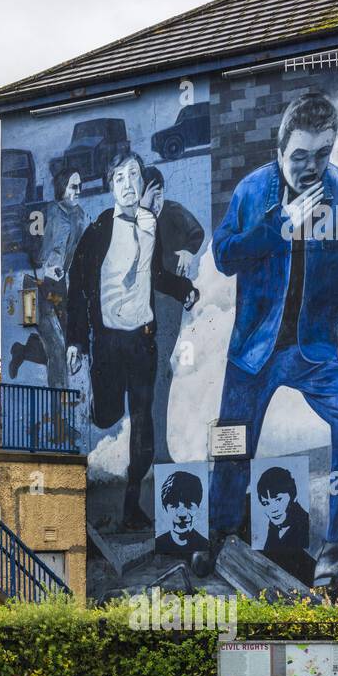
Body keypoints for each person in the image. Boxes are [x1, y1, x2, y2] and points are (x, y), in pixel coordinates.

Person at [208, 92, 338, 586]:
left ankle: (337, 548)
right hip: (255, 349)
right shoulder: (250, 191)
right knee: (231, 443)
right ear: (280, 148)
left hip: (311, 347)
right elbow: (224, 253)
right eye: (300, 156)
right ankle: (221, 536)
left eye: (321, 154)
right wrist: (279, 229)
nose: (311, 167)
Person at [67, 151, 199, 530]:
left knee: (143, 422)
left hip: (142, 340)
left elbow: (155, 273)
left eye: (134, 176)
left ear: (141, 183)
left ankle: (131, 506)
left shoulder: (149, 224)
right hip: (108, 343)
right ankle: (97, 403)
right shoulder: (98, 231)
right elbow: (77, 288)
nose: (128, 184)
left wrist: (183, 288)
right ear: (111, 186)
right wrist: (77, 340)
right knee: (107, 415)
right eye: (120, 178)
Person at [143, 165, 205, 464]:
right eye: (150, 196)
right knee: (154, 372)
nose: (157, 203)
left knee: (160, 369)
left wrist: (189, 252)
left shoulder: (174, 211)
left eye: (160, 195)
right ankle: (153, 447)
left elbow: (197, 232)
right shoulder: (135, 224)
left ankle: (157, 447)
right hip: (145, 305)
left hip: (169, 301)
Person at [9, 168, 86, 386]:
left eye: (80, 186)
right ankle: (59, 416)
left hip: (59, 288)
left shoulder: (80, 216)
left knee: (64, 347)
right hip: (33, 288)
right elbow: (25, 257)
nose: (78, 190)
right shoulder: (46, 214)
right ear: (62, 188)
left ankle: (23, 351)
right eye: (73, 186)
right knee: (58, 349)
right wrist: (44, 271)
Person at [256, 466, 314, 585]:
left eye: (278, 500)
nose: (273, 509)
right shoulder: (273, 527)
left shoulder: (306, 525)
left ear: (294, 496)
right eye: (266, 503)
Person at [154, 470, 210, 558]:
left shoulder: (204, 544)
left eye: (189, 505)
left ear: (198, 507)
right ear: (164, 507)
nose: (182, 514)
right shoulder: (158, 545)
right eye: (174, 505)